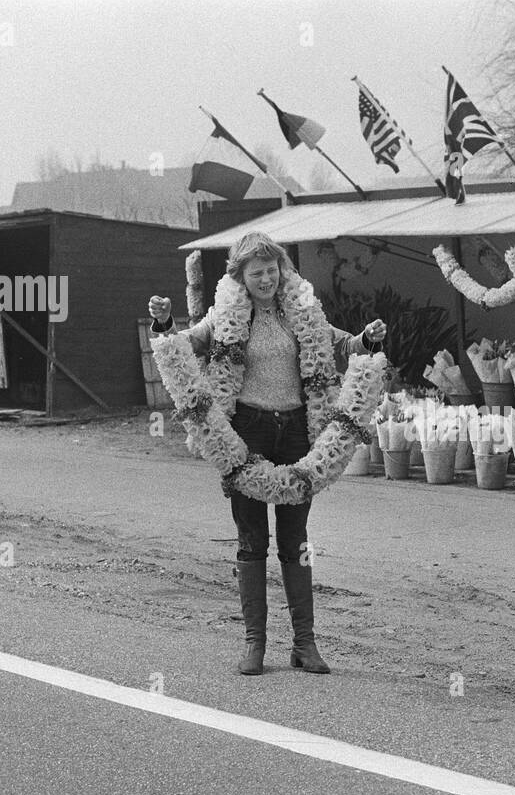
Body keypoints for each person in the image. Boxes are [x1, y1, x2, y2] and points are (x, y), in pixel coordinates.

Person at [147, 232, 386, 676]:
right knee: (252, 539)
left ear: (282, 270)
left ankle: (305, 645)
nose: (266, 279)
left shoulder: (303, 312)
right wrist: (163, 323)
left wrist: (367, 339)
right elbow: (188, 343)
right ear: (240, 276)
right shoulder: (225, 316)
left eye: (271, 270)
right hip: (247, 430)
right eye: (255, 272)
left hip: (298, 429)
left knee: (296, 541)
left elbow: (341, 344)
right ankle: (254, 644)